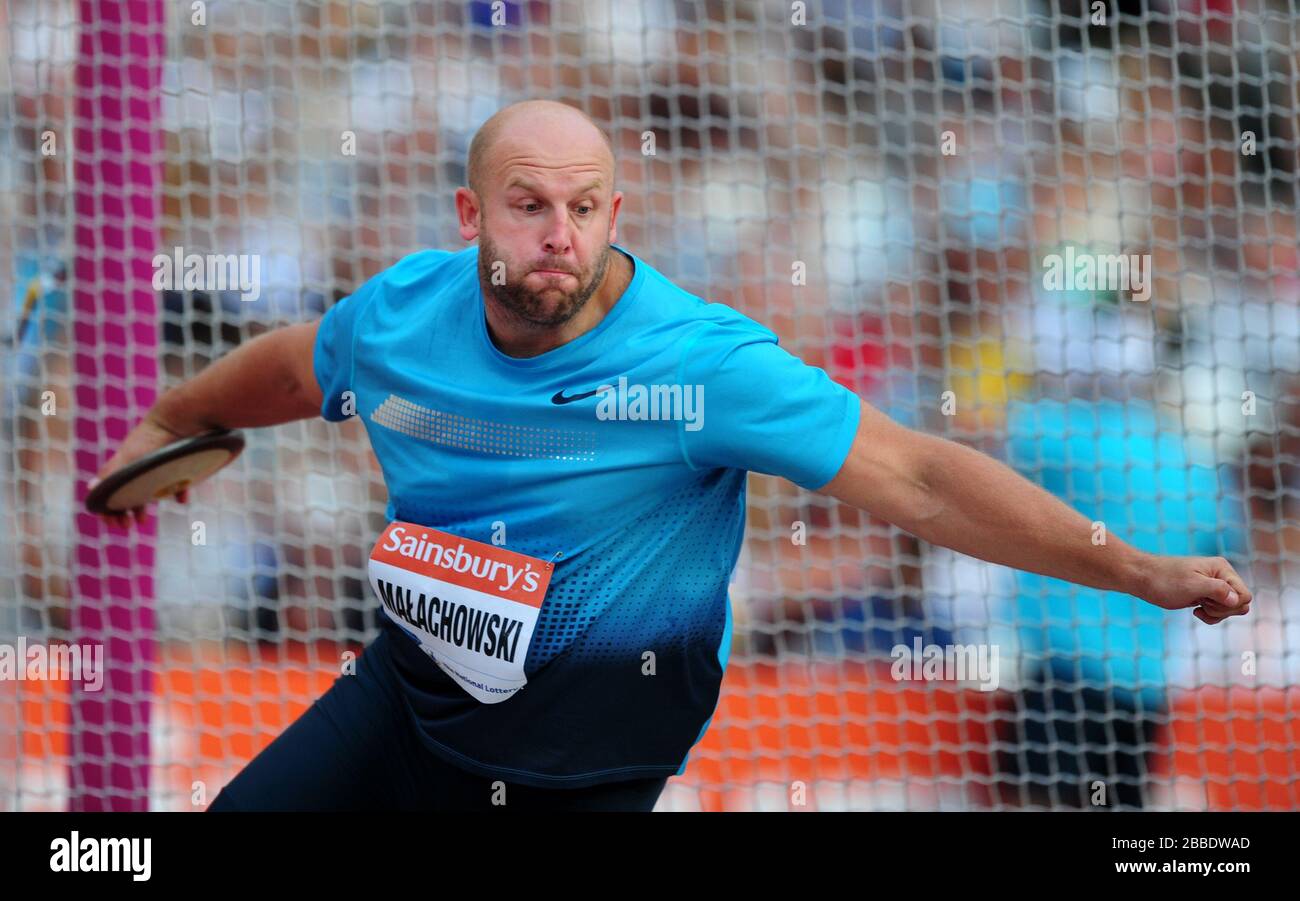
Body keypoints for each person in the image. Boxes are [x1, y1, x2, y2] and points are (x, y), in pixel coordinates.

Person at [93, 100, 1253, 811]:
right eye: (527, 204)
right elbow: (301, 367)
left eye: (587, 207)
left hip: (582, 771)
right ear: (467, 215)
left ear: (614, 212)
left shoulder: (700, 367)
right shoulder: (402, 314)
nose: (560, 235)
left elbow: (916, 475)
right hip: (403, 702)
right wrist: (178, 417)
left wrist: (1138, 568)